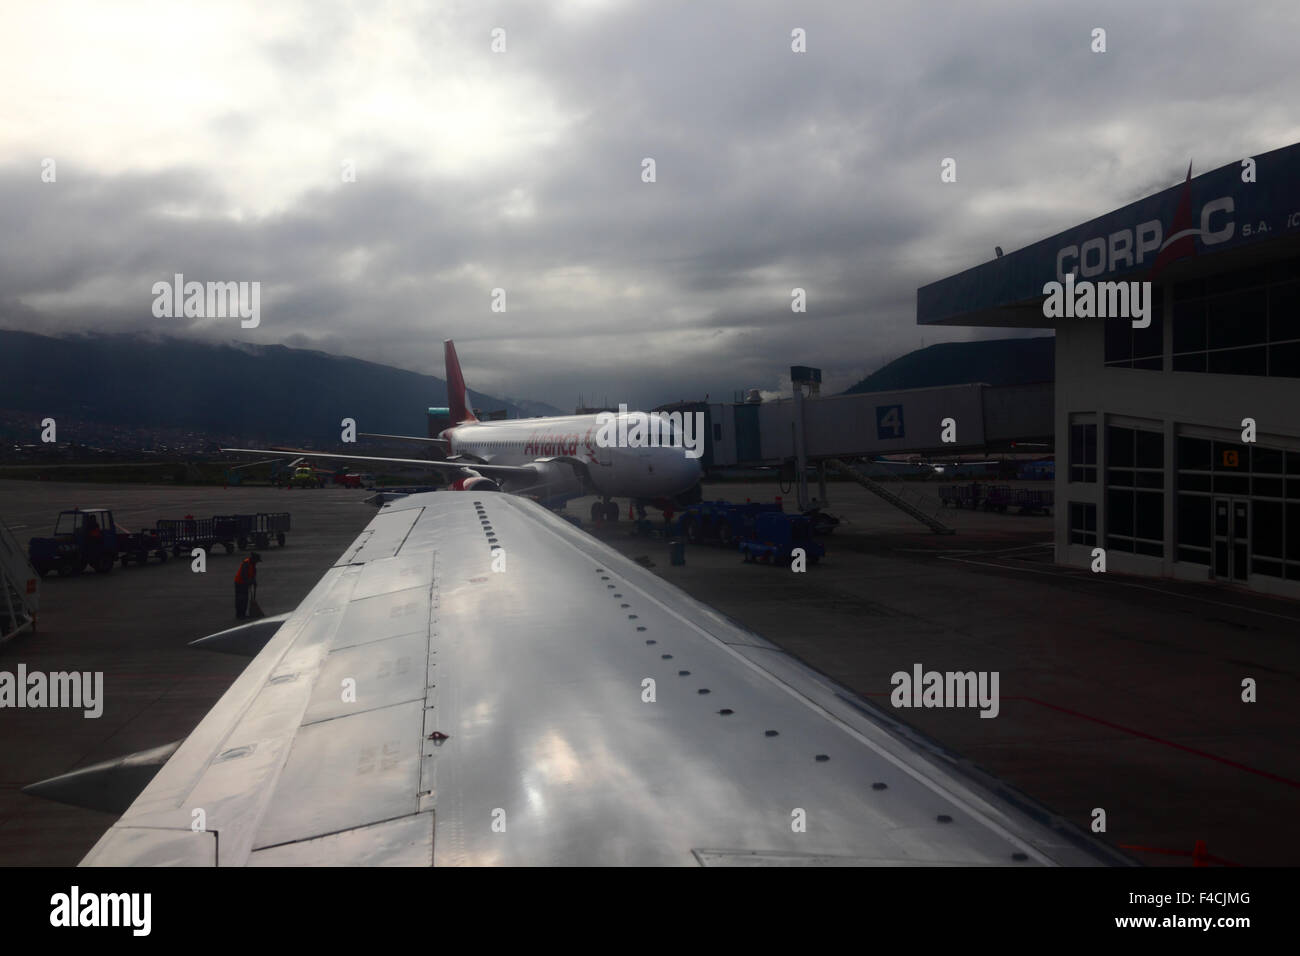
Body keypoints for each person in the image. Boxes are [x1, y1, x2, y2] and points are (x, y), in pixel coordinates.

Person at [234, 552, 261, 619]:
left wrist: (254, 581)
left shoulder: (253, 564)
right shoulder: (246, 564)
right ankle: (239, 614)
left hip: (245, 583)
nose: (257, 562)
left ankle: (243, 614)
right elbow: (244, 576)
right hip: (240, 583)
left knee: (245, 599)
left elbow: (253, 574)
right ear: (253, 559)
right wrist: (250, 582)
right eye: (256, 561)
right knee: (241, 599)